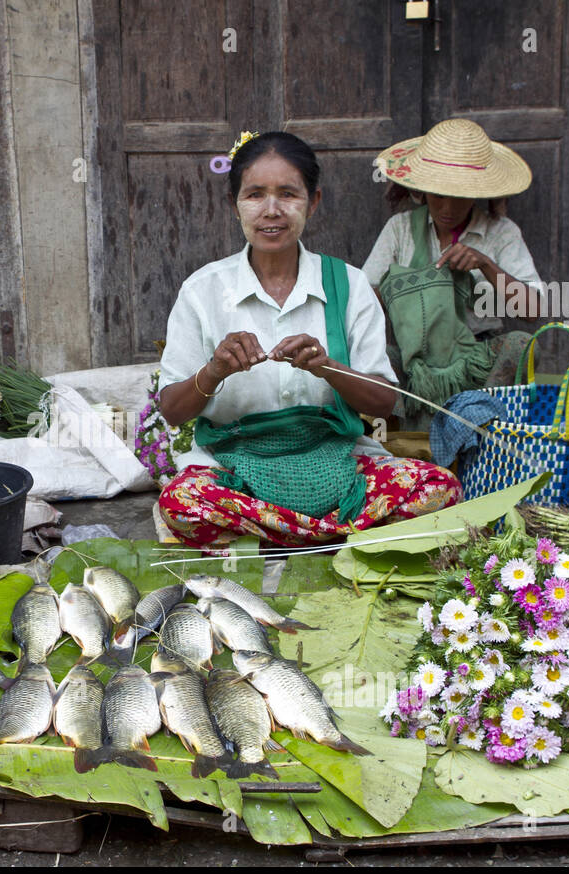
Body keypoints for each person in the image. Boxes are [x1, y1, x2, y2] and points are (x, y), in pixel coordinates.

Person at [157, 131, 461, 552]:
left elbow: (383, 403)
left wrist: (327, 367)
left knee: (436, 487)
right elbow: (172, 410)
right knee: (182, 503)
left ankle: (280, 537)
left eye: (288, 194)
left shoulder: (348, 285)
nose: (272, 211)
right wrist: (214, 370)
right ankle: (331, 536)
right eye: (255, 195)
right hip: (236, 465)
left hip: (336, 460)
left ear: (312, 202)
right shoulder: (203, 290)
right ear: (235, 204)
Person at [361, 118, 545, 416]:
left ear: (477, 193)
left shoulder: (501, 232)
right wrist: (407, 292)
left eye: (459, 198)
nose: (447, 209)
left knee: (523, 345)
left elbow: (532, 310)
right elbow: (364, 296)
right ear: (421, 190)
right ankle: (402, 437)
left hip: (477, 361)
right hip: (415, 360)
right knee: (374, 356)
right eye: (438, 195)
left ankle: (476, 420)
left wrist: (485, 264)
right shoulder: (400, 229)